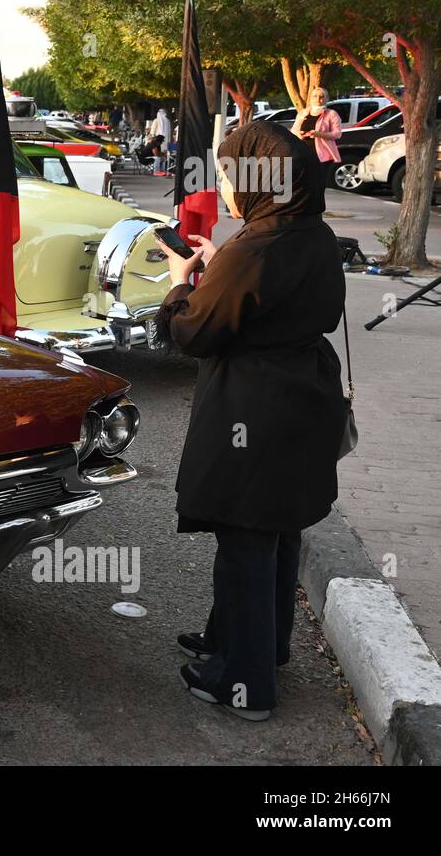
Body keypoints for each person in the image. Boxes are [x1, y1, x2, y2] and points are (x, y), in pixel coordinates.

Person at [154, 120, 345, 722]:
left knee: (245, 538)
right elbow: (268, 295)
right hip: (301, 398)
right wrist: (221, 262)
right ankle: (253, 646)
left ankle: (245, 683)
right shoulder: (308, 232)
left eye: (232, 174)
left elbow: (192, 331)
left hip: (253, 408)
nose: (228, 186)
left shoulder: (255, 248)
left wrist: (180, 285)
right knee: (276, 531)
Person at [294, 86, 342, 190]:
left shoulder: (331, 114)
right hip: (304, 152)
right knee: (304, 182)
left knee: (318, 184)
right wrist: (300, 134)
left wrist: (318, 134)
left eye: (321, 96)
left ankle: (318, 205)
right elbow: (294, 130)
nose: (318, 99)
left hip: (323, 155)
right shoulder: (303, 113)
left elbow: (337, 134)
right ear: (310, 98)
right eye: (315, 96)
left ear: (326, 99)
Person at [153, 107, 173, 175]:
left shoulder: (156, 121)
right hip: (166, 142)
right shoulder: (168, 121)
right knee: (163, 157)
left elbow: (153, 132)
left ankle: (157, 171)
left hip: (158, 142)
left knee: (157, 156)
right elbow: (170, 133)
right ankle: (162, 170)